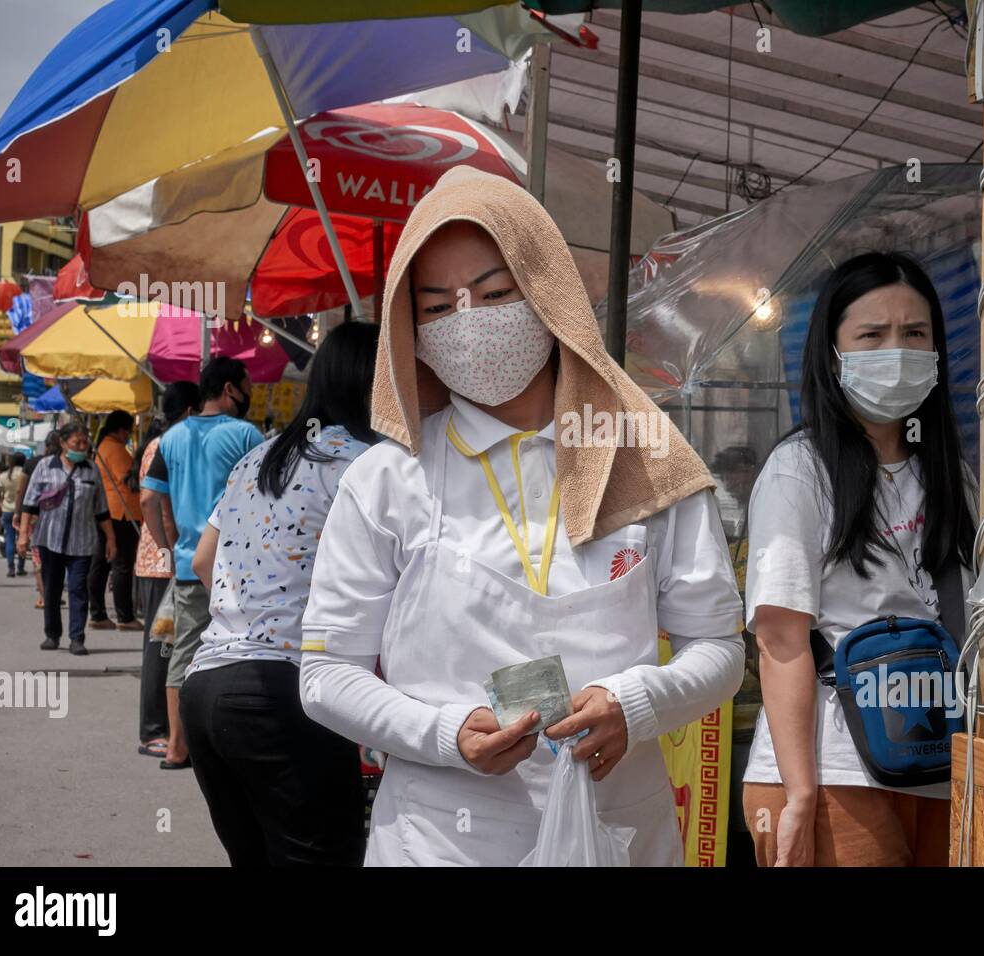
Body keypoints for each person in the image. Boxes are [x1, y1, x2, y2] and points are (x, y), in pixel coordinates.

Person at [299, 167, 745, 867]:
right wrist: (444, 733)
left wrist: (637, 701)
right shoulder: (385, 483)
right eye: (438, 306)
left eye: (497, 293)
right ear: (409, 330)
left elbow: (719, 649)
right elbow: (326, 675)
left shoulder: (649, 458)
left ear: (550, 294)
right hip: (440, 838)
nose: (470, 321)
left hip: (617, 828)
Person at [741, 252, 976, 867]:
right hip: (833, 767)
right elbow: (781, 641)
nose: (896, 350)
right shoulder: (800, 472)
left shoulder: (955, 477)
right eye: (872, 335)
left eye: (915, 333)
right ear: (833, 352)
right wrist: (798, 793)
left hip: (938, 760)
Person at [183, 323, 380, 865]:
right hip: (284, 694)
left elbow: (204, 560)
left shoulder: (259, 458)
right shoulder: (365, 463)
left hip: (205, 689)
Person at [141, 357, 262, 770]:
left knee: (184, 652)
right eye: (246, 386)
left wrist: (167, 545)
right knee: (240, 653)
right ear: (229, 389)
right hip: (238, 568)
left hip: (191, 565)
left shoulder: (171, 438)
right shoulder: (246, 435)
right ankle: (216, 744)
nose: (249, 394)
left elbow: (148, 498)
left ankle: (179, 745)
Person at [133, 382, 201, 759]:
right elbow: (158, 505)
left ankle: (162, 728)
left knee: (166, 646)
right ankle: (153, 730)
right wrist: (170, 549)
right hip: (164, 563)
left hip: (162, 560)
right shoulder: (167, 444)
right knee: (161, 648)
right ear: (191, 411)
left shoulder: (163, 442)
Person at [17, 423, 115, 655]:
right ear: (63, 443)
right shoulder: (44, 467)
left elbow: (101, 509)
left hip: (82, 542)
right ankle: (52, 634)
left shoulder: (91, 469)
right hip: (49, 539)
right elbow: (29, 503)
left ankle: (77, 638)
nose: (82, 447)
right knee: (51, 589)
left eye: (85, 442)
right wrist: (22, 535)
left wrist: (111, 539)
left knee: (78, 588)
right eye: (77, 442)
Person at [89, 410, 143, 631]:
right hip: (121, 513)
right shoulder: (116, 449)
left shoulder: (103, 446)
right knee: (121, 565)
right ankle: (125, 616)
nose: (129, 435)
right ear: (121, 430)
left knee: (101, 563)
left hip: (107, 511)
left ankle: (98, 613)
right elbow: (129, 481)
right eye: (129, 431)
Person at [18, 432, 62, 608]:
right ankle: (54, 594)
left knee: (38, 557)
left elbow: (21, 491)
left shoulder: (33, 463)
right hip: (59, 516)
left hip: (35, 516)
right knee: (58, 556)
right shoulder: (67, 464)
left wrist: (18, 513)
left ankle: (45, 596)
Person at [0, 452, 27, 577]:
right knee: (23, 538)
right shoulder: (25, 474)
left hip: (7, 510)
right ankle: (21, 566)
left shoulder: (4, 476)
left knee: (9, 538)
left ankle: (11, 568)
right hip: (23, 511)